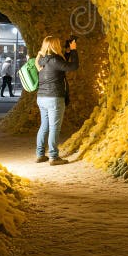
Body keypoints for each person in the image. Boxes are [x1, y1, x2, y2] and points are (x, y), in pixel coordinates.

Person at [35, 35, 78, 166]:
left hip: (41, 97)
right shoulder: (55, 59)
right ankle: (54, 157)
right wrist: (74, 50)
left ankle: (40, 155)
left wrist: (68, 52)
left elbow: (61, 65)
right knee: (54, 128)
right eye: (58, 43)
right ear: (54, 45)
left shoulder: (42, 60)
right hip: (54, 98)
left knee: (44, 126)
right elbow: (73, 66)